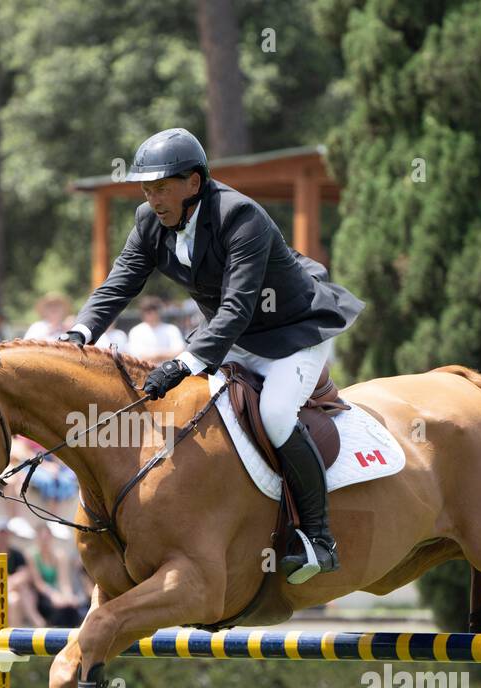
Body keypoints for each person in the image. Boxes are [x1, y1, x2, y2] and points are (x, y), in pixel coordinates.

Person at [64, 128, 365, 583]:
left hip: (293, 331)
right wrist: (78, 333)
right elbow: (119, 284)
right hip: (233, 334)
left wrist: (184, 362)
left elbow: (237, 307)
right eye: (147, 189)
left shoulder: (242, 215)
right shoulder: (150, 221)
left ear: (194, 183)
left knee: (277, 414)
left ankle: (319, 540)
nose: (153, 198)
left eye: (161, 187)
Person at [126, 296, 186, 361]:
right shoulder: (136, 331)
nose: (150, 315)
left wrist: (155, 355)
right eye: (146, 311)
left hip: (168, 369)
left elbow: (179, 351)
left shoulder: (172, 329)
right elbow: (137, 356)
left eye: (152, 311)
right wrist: (164, 354)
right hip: (145, 370)